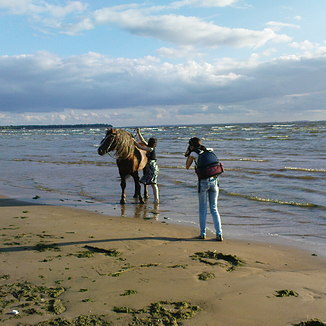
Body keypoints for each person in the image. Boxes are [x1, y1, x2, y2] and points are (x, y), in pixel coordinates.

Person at [185, 137, 223, 241]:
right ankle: (219, 233)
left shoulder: (193, 154)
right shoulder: (209, 150)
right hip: (215, 180)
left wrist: (189, 152)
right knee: (214, 208)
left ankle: (203, 233)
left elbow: (187, 166)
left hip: (203, 182)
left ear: (191, 145)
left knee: (203, 209)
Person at [134, 128, 160, 204]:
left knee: (153, 184)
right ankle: (156, 199)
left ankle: (156, 199)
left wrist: (133, 141)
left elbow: (140, 147)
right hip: (150, 167)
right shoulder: (150, 147)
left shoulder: (150, 149)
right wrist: (138, 133)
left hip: (152, 167)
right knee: (152, 184)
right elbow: (142, 141)